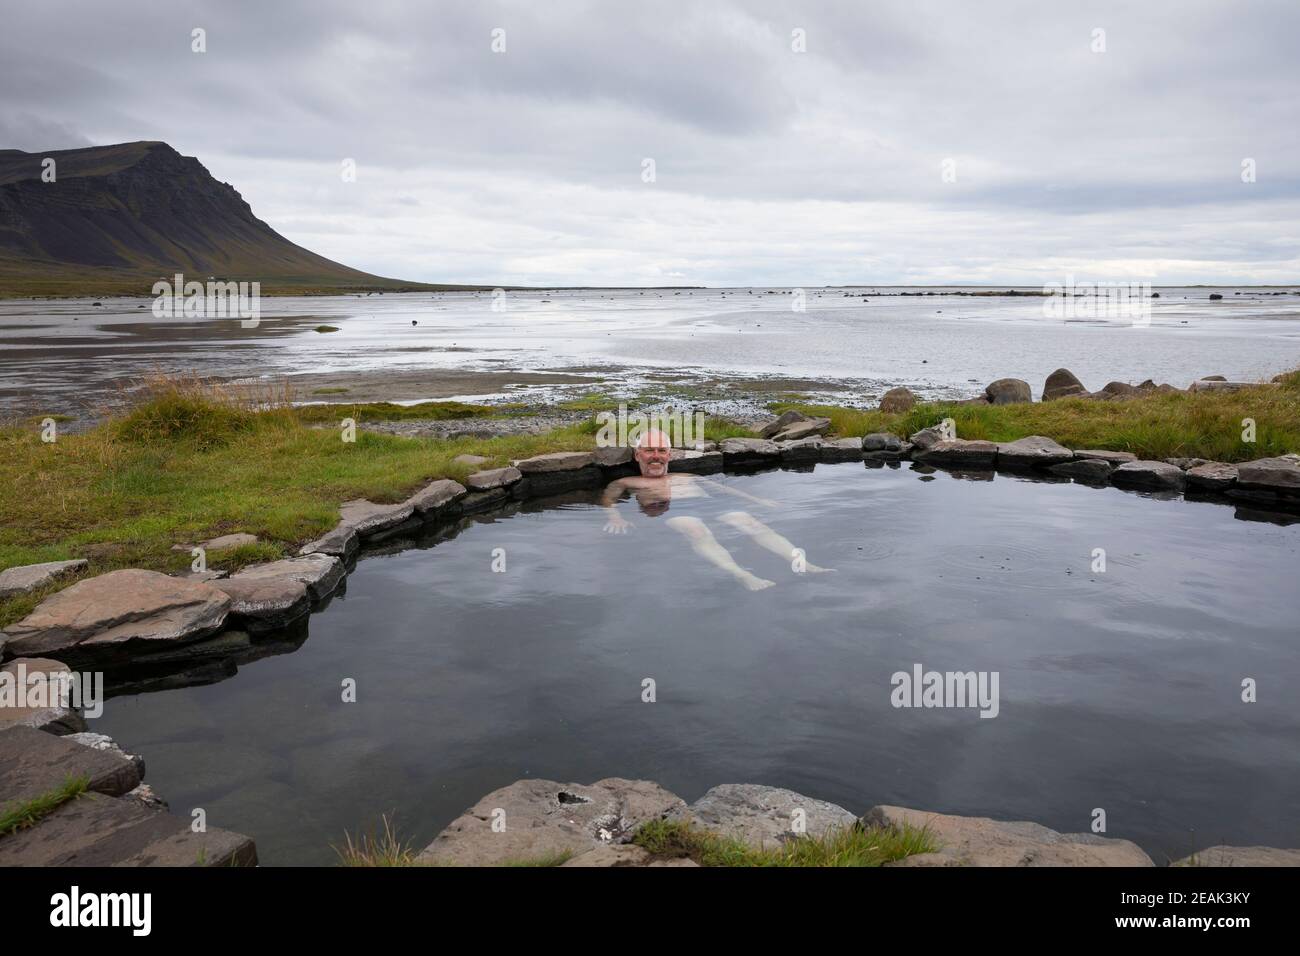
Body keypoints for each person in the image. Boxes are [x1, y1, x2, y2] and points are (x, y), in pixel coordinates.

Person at [600, 428, 833, 590]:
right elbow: (610, 496)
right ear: (637, 454)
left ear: (669, 454)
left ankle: (804, 564)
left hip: (709, 503)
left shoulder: (685, 475)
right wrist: (614, 516)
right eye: (650, 450)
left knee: (750, 523)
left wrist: (757, 501)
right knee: (696, 530)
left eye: (661, 451)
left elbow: (722, 490)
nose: (656, 456)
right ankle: (743, 575)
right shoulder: (630, 482)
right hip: (672, 509)